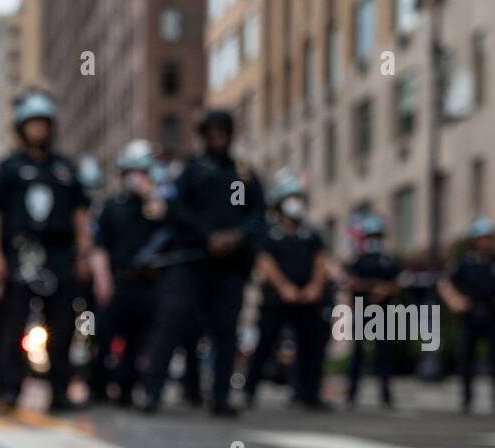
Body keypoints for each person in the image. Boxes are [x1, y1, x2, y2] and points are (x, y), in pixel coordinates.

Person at [145, 109, 265, 416]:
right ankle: (153, 392)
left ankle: (221, 396)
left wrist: (236, 236)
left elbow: (258, 216)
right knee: (172, 323)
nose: (217, 136)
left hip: (230, 267)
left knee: (227, 331)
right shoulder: (191, 169)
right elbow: (175, 208)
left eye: (222, 130)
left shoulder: (244, 174)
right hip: (190, 262)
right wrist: (208, 236)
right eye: (211, 131)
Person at [0, 89, 94, 412]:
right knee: (13, 323)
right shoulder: (9, 167)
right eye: (32, 123)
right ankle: (9, 389)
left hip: (59, 254)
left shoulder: (64, 168)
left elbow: (80, 213)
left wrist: (84, 253)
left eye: (43, 123)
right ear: (21, 127)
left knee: (62, 324)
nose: (38, 130)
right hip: (21, 253)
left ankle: (59, 389)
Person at [89, 139, 166, 407]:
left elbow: (167, 226)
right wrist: (102, 279)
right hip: (117, 281)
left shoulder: (155, 207)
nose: (136, 178)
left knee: (137, 342)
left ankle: (126, 389)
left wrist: (152, 196)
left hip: (146, 285)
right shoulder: (112, 206)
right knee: (104, 337)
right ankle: (97, 386)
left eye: (142, 172)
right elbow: (99, 246)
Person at [244, 175, 330, 410]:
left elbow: (321, 260)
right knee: (265, 343)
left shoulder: (311, 234)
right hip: (277, 297)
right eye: (290, 198)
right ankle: (249, 391)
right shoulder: (269, 233)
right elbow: (264, 261)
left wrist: (315, 287)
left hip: (307, 299)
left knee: (311, 347)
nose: (295, 203)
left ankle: (309, 393)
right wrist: (284, 287)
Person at [438, 217, 495, 414]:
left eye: (489, 237)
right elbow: (445, 283)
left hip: (493, 313)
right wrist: (455, 301)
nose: (486, 241)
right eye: (482, 237)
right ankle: (466, 399)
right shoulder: (464, 261)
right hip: (471, 313)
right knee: (466, 358)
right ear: (475, 240)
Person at [345, 213, 401, 409]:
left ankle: (385, 394)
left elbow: (396, 284)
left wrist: (384, 289)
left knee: (384, 354)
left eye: (377, 236)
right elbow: (351, 283)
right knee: (358, 354)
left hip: (383, 314)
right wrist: (371, 287)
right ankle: (351, 393)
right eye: (371, 236)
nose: (374, 240)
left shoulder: (388, 260)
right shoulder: (359, 260)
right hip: (362, 311)